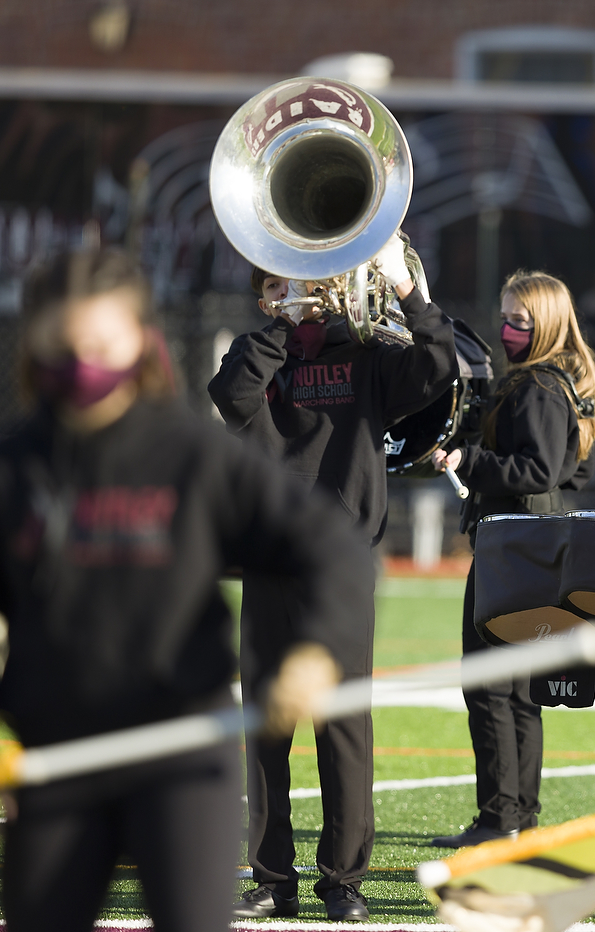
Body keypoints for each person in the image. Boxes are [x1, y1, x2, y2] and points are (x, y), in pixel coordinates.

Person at [0, 247, 370, 932]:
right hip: (57, 760)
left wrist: (317, 649)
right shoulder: (9, 472)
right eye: (64, 348)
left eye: (101, 345)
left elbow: (330, 548)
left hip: (184, 758)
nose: (83, 363)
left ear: (140, 341)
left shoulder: (195, 456)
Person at [208, 236, 458, 921]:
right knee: (267, 727)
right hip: (269, 560)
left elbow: (440, 365)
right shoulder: (256, 353)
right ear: (263, 299)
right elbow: (231, 397)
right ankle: (273, 879)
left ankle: (343, 881)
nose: (291, 292)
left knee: (343, 728)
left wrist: (405, 288)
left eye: (302, 281)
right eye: (274, 286)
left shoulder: (370, 356)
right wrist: (287, 322)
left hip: (341, 566)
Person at [428, 270, 595, 848]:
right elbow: (576, 472)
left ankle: (500, 818)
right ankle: (517, 816)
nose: (507, 330)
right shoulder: (559, 384)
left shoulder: (539, 387)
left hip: (515, 548)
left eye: (520, 322)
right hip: (534, 545)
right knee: (519, 691)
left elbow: (539, 470)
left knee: (491, 686)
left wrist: (470, 460)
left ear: (546, 325)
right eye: (505, 318)